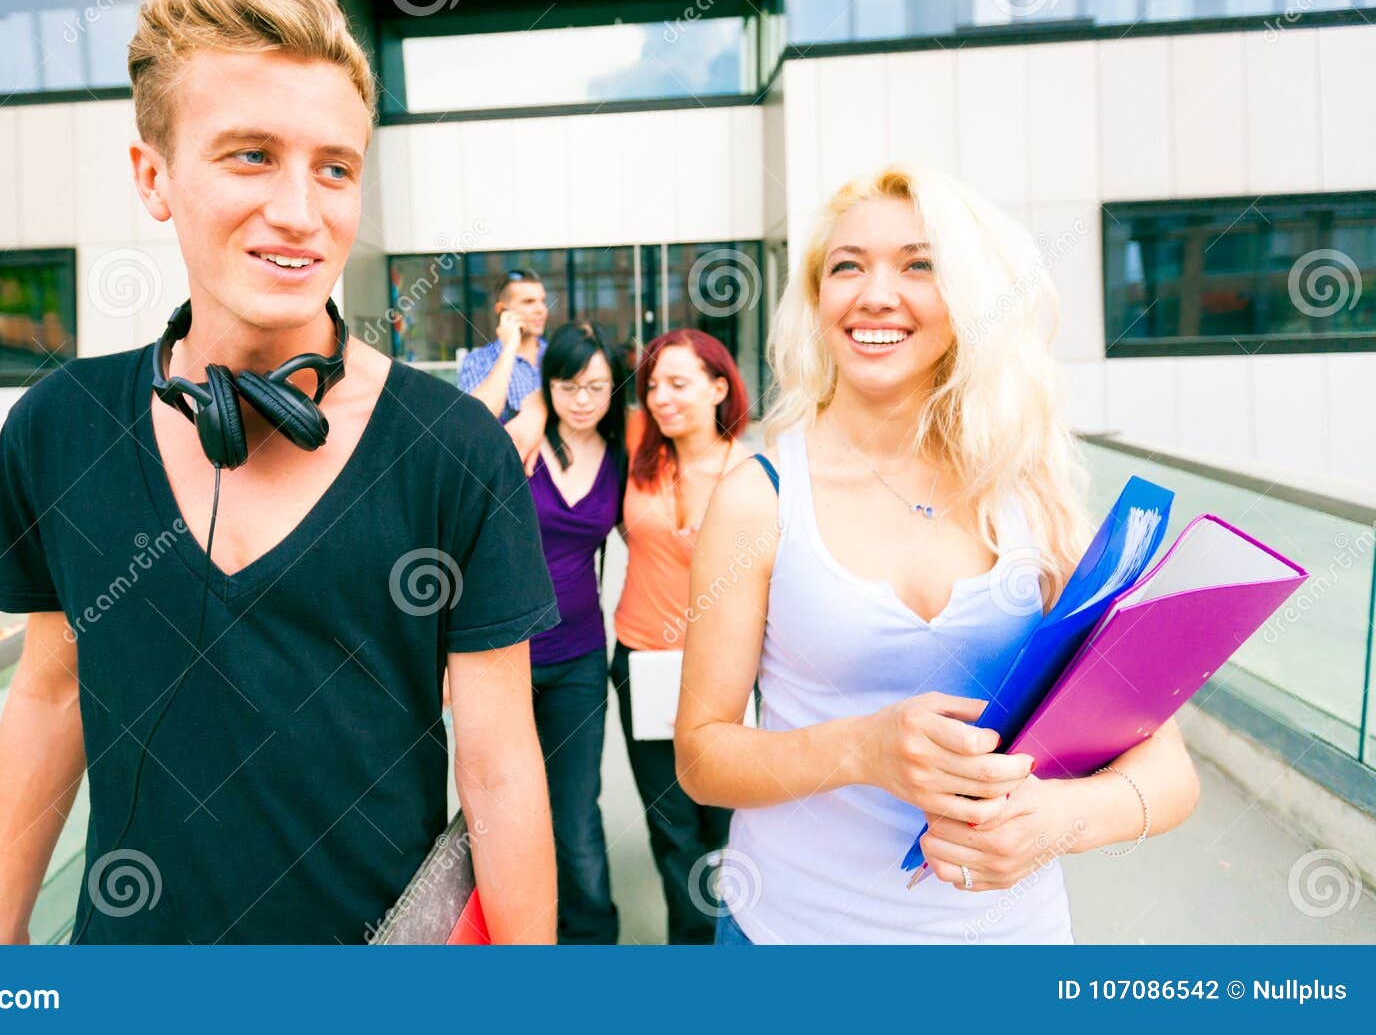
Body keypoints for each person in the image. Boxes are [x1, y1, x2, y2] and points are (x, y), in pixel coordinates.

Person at [0, 0, 560, 945]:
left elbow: (498, 764)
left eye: (334, 167)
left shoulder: (451, 449)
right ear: (152, 176)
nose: (300, 210)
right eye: (250, 155)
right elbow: (52, 688)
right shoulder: (57, 427)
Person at [674, 165, 1202, 944]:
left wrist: (1057, 818)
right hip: (791, 941)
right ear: (818, 300)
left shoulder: (1033, 494)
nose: (875, 292)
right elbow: (701, 755)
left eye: (918, 264)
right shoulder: (762, 496)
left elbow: (1170, 768)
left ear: (968, 298)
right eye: (847, 265)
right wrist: (861, 747)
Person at [610, 329, 752, 944]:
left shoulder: (752, 474)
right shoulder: (639, 446)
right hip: (641, 661)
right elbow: (563, 404)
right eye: (652, 386)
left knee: (728, 822)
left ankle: (734, 947)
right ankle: (689, 955)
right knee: (669, 824)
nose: (660, 398)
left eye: (678, 383)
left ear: (719, 387)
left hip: (725, 669)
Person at [496, 320, 628, 944]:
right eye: (569, 386)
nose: (583, 400)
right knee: (503, 815)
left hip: (580, 661)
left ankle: (591, 943)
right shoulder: (518, 442)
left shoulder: (622, 456)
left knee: (576, 817)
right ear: (549, 387)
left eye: (597, 387)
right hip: (503, 659)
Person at [457, 268, 548, 422]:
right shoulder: (477, 361)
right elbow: (478, 420)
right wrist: (510, 348)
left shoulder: (555, 353)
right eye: (528, 302)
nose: (541, 309)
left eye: (543, 301)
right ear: (502, 310)